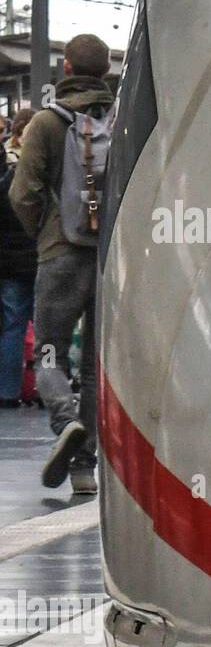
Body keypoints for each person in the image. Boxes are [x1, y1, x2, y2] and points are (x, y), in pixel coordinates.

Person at [9, 36, 115, 495]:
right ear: (104, 71)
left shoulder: (48, 123)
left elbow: (23, 193)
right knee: (93, 366)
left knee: (49, 350)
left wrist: (45, 232)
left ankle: (65, 419)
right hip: (110, 257)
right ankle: (84, 468)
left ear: (66, 67)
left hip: (60, 254)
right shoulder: (124, 121)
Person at [0, 107, 37, 408]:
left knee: (13, 327)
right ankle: (45, 387)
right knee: (49, 331)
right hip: (44, 260)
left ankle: (8, 392)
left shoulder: (6, 182)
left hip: (12, 267)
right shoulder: (47, 179)